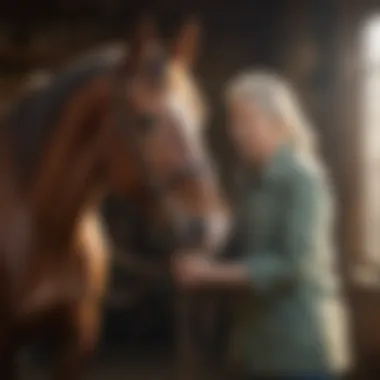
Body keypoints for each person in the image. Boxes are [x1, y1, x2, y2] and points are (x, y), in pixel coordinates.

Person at [171, 71, 352, 379]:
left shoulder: (303, 180)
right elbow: (243, 239)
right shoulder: (248, 178)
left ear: (279, 122)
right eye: (233, 123)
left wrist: (210, 274)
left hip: (299, 347)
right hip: (255, 345)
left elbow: (292, 265)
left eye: (246, 121)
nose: (236, 132)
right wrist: (215, 241)